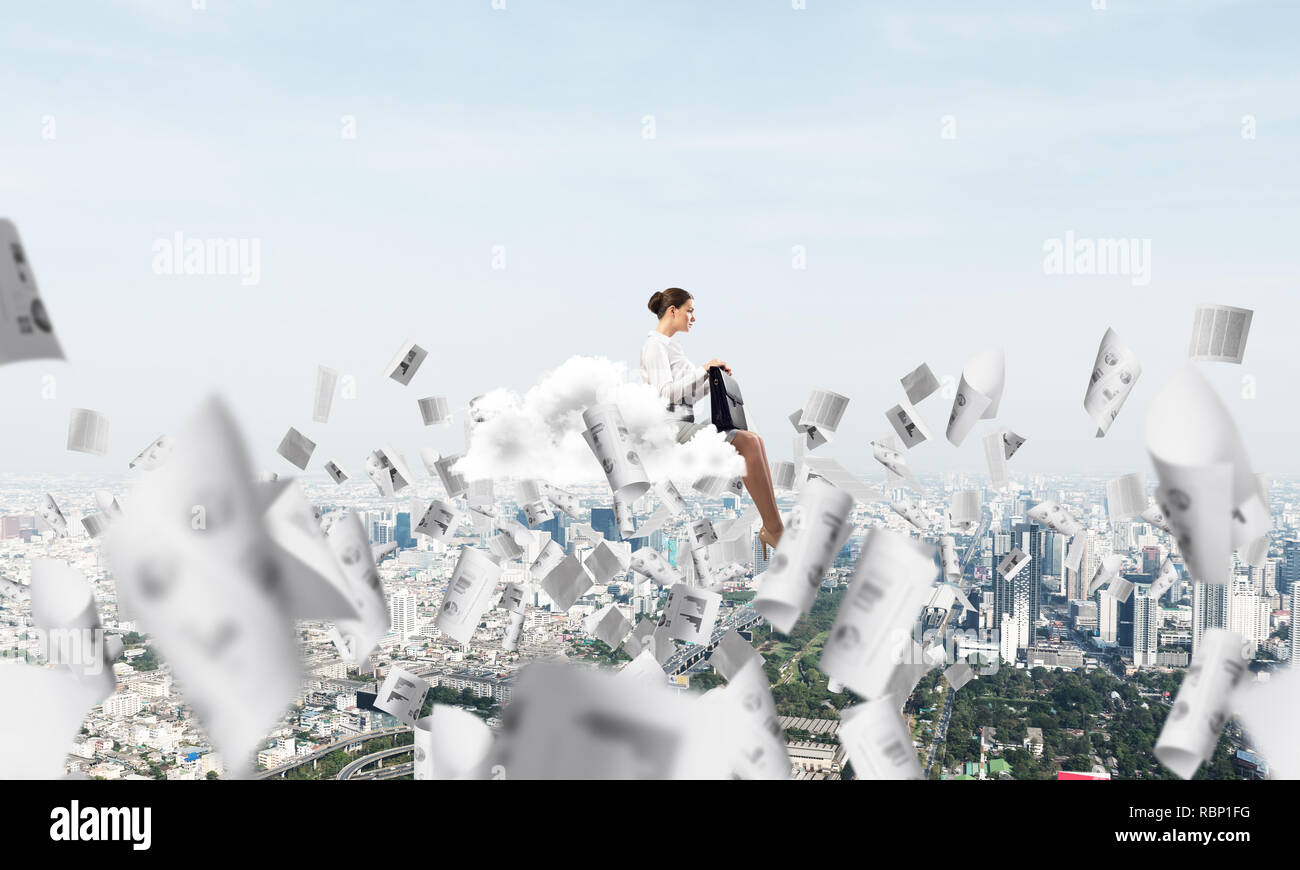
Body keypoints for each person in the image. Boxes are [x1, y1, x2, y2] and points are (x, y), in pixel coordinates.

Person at [640, 288, 783, 557]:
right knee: (748, 443)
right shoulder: (655, 346)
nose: (693, 317)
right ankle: (775, 529)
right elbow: (663, 394)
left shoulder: (671, 347)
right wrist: (702, 371)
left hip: (682, 422)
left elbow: (686, 394)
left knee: (755, 440)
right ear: (673, 311)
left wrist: (713, 381)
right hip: (669, 428)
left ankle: (774, 527)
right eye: (689, 310)